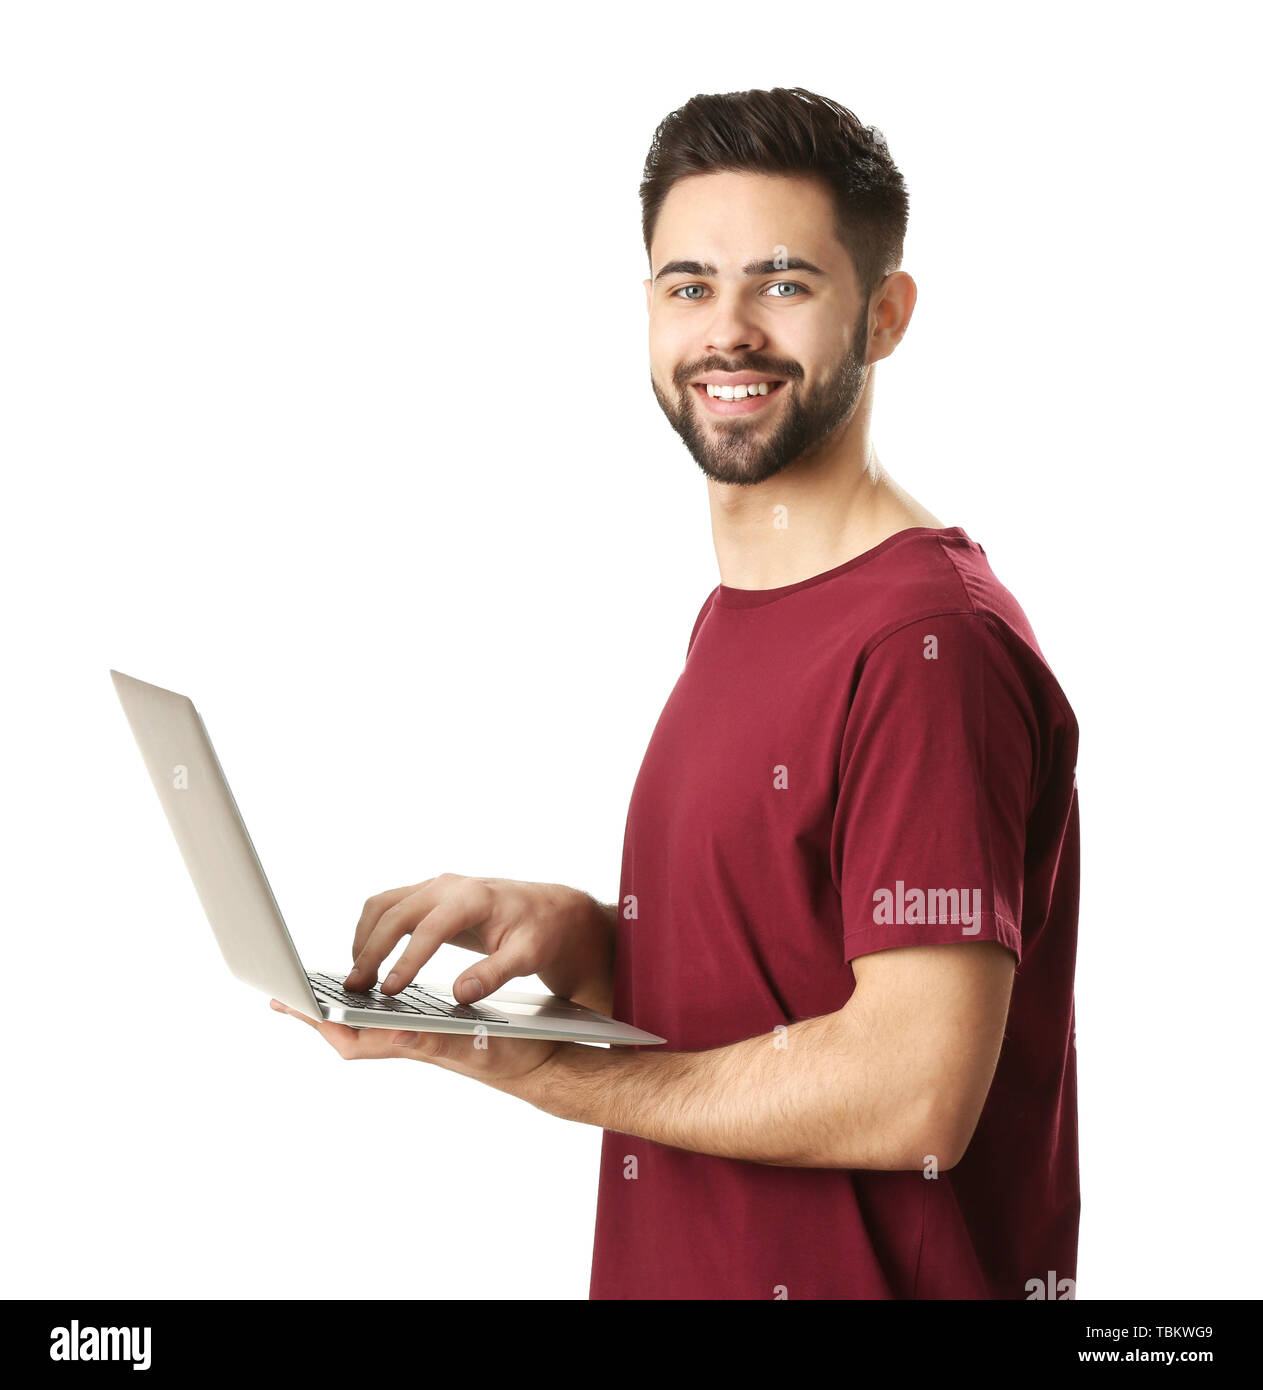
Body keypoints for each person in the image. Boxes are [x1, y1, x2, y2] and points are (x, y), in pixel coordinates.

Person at [272, 86, 1080, 1301]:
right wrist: (591, 942)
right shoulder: (740, 617)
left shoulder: (931, 647)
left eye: (785, 282)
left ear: (887, 314)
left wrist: (504, 1056)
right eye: (690, 285)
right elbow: (782, 978)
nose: (729, 331)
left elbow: (909, 1092)